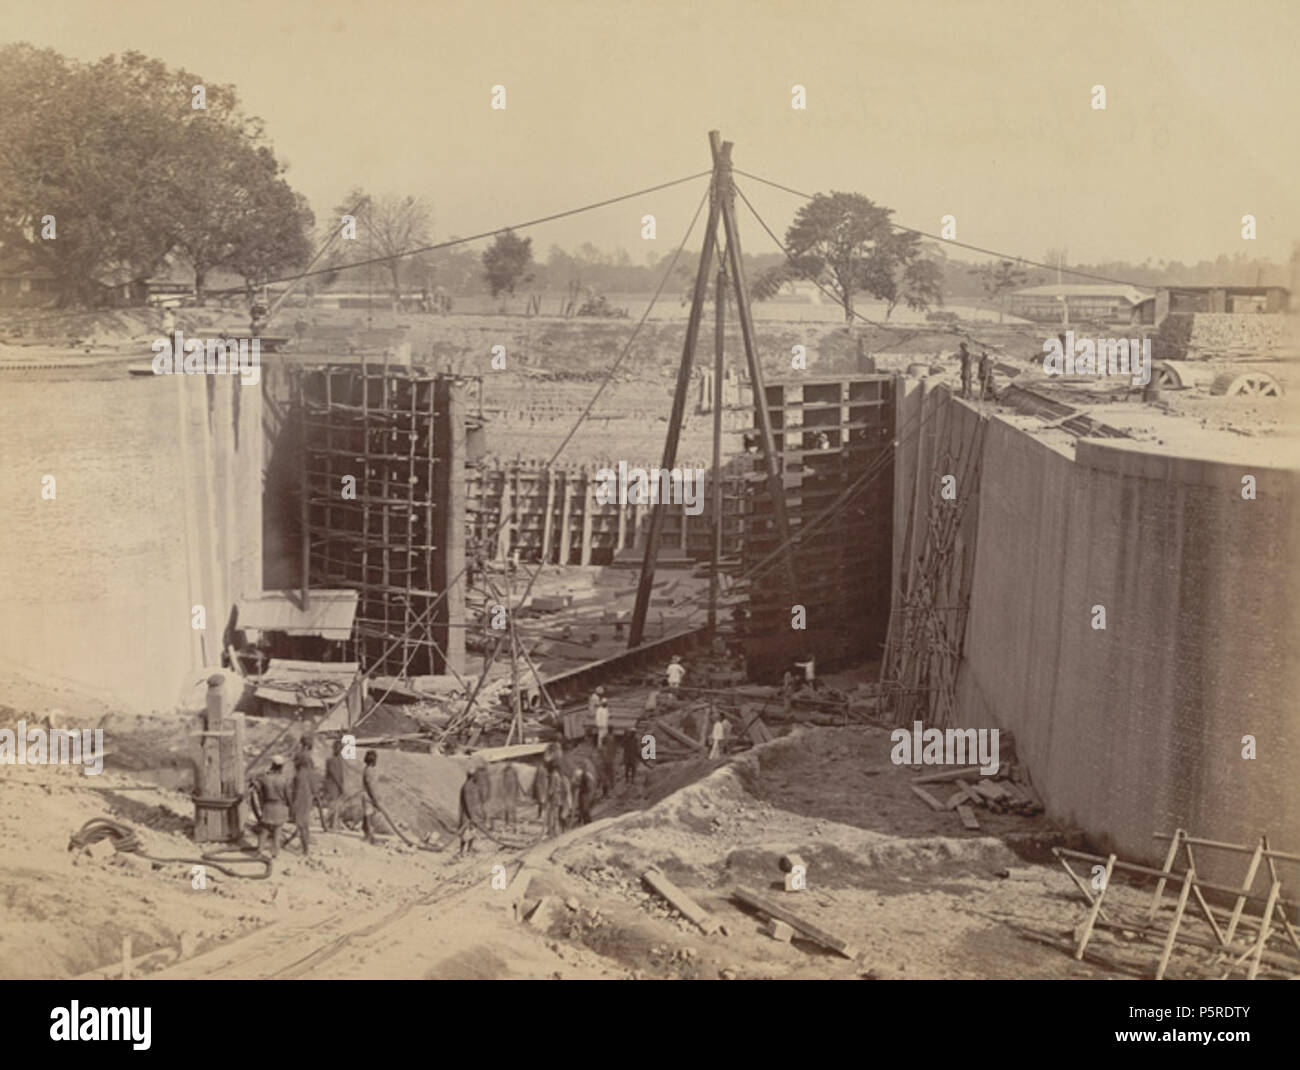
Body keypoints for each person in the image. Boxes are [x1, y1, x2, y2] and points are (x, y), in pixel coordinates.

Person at [253, 756, 293, 859]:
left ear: (272, 765)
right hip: (280, 806)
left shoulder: (265, 778)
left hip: (268, 806)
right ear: (281, 767)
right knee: (277, 831)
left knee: (264, 830)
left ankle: (259, 851)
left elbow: (256, 787)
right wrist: (290, 807)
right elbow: (288, 796)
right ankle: (274, 853)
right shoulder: (283, 780)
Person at [291, 734, 317, 857]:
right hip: (306, 795)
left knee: (301, 823)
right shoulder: (307, 770)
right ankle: (304, 846)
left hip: (301, 795)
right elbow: (313, 785)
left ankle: (305, 849)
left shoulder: (300, 773)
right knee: (304, 823)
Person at [321, 738, 347, 831]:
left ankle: (333, 826)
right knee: (331, 806)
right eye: (337, 747)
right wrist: (340, 785)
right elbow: (333, 774)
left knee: (336, 807)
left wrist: (342, 785)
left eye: (340, 748)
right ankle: (328, 826)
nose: (338, 750)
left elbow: (341, 775)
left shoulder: (340, 760)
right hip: (332, 786)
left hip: (337, 786)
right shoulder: (330, 760)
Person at [361, 749, 383, 845]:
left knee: (368, 815)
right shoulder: (369, 771)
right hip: (368, 795)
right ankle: (368, 835)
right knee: (368, 815)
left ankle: (367, 832)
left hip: (370, 795)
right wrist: (374, 799)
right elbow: (370, 786)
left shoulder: (369, 770)